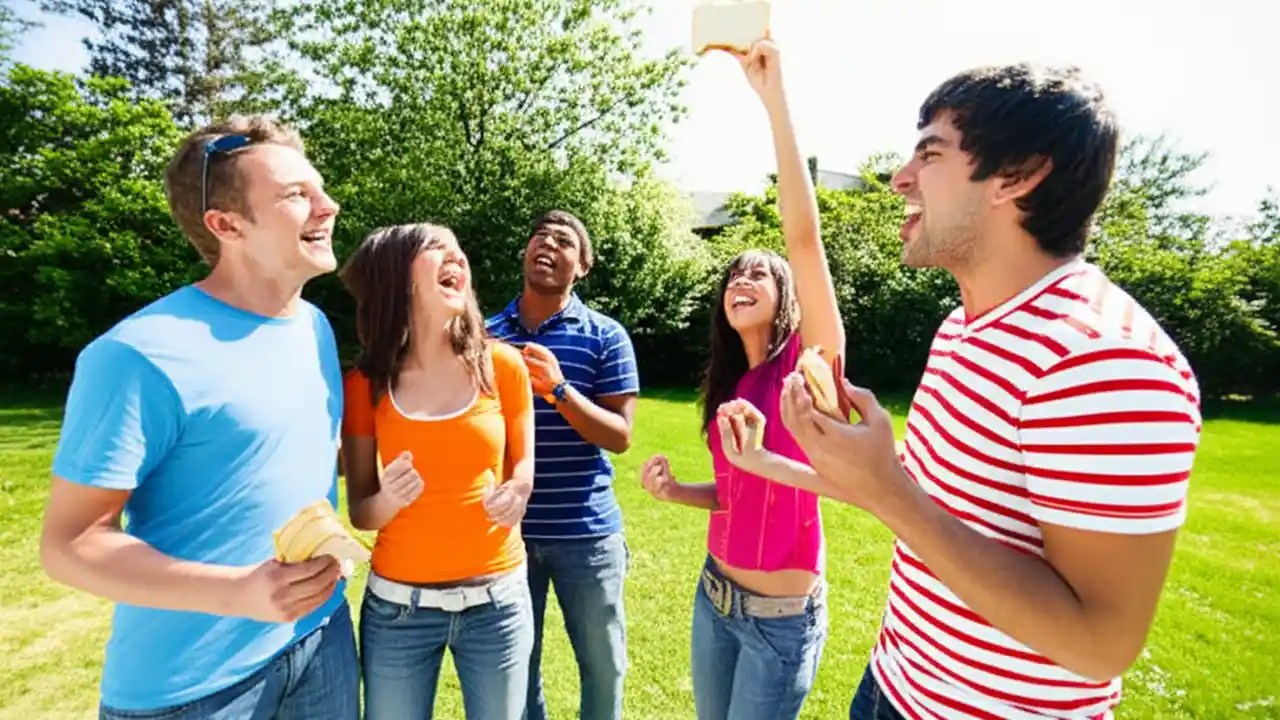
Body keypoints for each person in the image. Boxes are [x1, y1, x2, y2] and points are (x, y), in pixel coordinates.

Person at [773, 64, 1203, 719]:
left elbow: (1098, 644)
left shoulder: (1106, 358)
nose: (900, 177)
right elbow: (938, 508)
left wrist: (888, 488)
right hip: (894, 686)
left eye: (932, 152)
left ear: (1018, 175)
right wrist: (851, 463)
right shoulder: (962, 328)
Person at [39, 116, 357, 719]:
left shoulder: (313, 327)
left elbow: (274, 457)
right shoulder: (136, 355)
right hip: (194, 687)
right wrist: (237, 593)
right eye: (297, 195)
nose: (329, 205)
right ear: (226, 224)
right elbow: (69, 545)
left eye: (319, 188)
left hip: (321, 641)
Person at [638, 40, 845, 720]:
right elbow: (737, 494)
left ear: (786, 296)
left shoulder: (807, 363)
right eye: (733, 275)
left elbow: (804, 240)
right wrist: (677, 492)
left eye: (759, 272)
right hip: (715, 599)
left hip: (779, 621)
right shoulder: (731, 386)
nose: (742, 280)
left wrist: (772, 101)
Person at [339, 223, 536, 720]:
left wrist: (518, 491)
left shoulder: (503, 366)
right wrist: (389, 499)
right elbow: (362, 510)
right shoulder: (365, 386)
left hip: (499, 603)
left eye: (458, 248)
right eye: (436, 249)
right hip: (398, 612)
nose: (457, 257)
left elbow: (523, 468)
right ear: (399, 278)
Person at [484, 210, 639, 720]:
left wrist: (558, 390)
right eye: (540, 236)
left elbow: (619, 436)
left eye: (564, 241)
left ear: (583, 267)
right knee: (516, 664)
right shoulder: (485, 336)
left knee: (603, 664)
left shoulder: (606, 336)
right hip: (508, 536)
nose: (547, 245)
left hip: (586, 535)